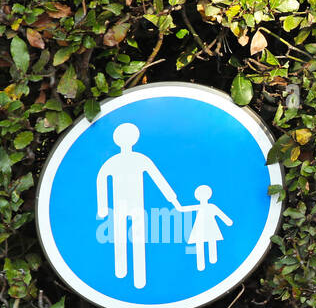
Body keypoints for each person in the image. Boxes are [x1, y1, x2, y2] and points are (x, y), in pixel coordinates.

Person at [95, 122, 181, 289]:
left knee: (130, 237)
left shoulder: (129, 160)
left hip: (134, 205)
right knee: (126, 237)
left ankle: (131, 275)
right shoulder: (128, 160)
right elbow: (101, 181)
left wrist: (172, 199)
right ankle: (125, 273)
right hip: (125, 205)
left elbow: (159, 180)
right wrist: (103, 208)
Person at [177, 185, 233, 272]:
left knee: (211, 243)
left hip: (210, 227)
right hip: (200, 229)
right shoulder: (199, 207)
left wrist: (228, 222)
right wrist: (176, 203)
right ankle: (201, 265)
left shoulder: (211, 206)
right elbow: (182, 209)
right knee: (201, 244)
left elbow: (221, 215)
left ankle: (212, 261)